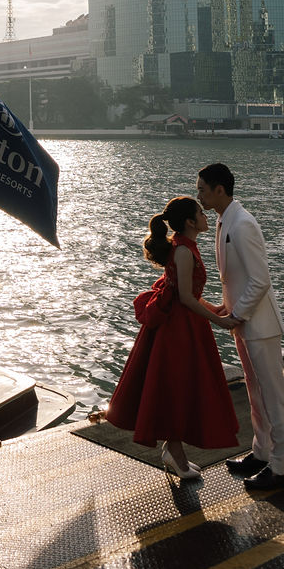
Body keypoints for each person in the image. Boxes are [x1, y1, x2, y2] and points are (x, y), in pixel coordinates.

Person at [104, 195, 240, 481]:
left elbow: (187, 295)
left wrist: (213, 308)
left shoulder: (185, 246)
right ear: (190, 222)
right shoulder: (183, 251)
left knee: (179, 388)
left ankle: (173, 450)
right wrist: (220, 320)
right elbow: (186, 298)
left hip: (183, 325)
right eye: (201, 213)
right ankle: (175, 454)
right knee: (175, 388)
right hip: (177, 330)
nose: (205, 216)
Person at [196, 161, 284, 492]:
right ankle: (261, 451)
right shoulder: (226, 220)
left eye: (202, 189)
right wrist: (230, 308)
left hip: (259, 324)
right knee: (255, 392)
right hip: (244, 321)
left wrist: (236, 313)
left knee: (273, 395)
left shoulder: (242, 224)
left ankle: (281, 470)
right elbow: (236, 278)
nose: (199, 195)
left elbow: (260, 280)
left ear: (219, 190)